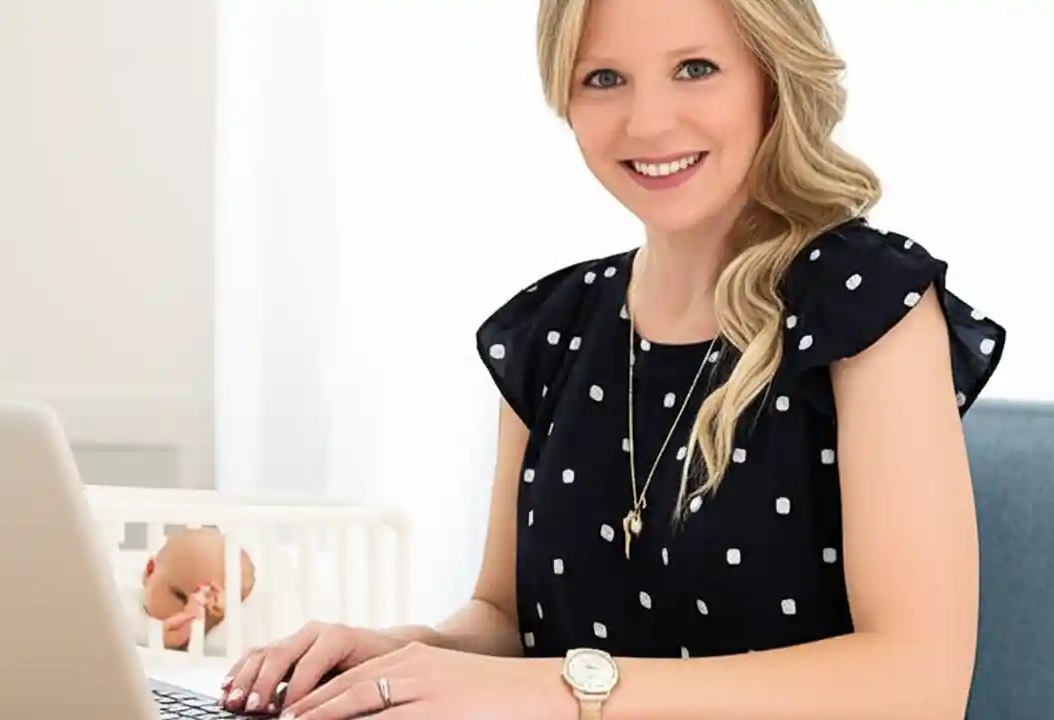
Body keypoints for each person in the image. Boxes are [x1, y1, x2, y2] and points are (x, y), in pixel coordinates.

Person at [219, 0, 1006, 717]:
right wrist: (405, 658)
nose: (648, 122)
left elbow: (917, 684)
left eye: (694, 69)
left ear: (771, 77)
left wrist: (563, 692)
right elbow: (505, 621)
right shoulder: (552, 329)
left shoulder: (869, 302)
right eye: (604, 79)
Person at [122, 527, 256, 650]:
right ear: (150, 571)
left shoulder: (227, 638)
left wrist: (210, 622)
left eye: (205, 608)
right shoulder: (121, 601)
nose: (187, 611)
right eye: (180, 596)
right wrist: (161, 636)